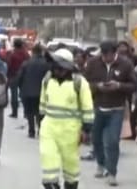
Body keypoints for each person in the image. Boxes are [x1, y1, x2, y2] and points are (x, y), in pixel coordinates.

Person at [39, 48, 95, 189]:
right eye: (54, 65)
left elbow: (88, 108)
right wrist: (40, 123)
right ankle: (51, 183)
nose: (56, 69)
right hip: (49, 128)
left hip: (71, 131)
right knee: (48, 160)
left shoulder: (80, 83)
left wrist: (86, 130)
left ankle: (71, 184)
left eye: (59, 66)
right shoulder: (47, 80)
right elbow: (42, 105)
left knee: (70, 164)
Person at [83, 40, 137, 186]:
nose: (107, 58)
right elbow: (84, 83)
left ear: (115, 53)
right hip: (97, 107)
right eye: (104, 55)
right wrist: (97, 86)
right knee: (96, 139)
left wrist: (119, 85)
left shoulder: (125, 64)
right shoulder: (93, 63)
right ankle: (101, 164)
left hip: (116, 109)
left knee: (112, 141)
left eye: (110, 55)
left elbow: (134, 85)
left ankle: (112, 172)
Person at [17, 44, 50, 138]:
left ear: (32, 52)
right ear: (41, 52)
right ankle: (40, 129)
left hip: (27, 91)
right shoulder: (46, 64)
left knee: (29, 112)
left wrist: (21, 88)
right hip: (41, 92)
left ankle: (31, 131)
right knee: (40, 112)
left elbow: (20, 77)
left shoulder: (26, 63)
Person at [7, 38, 30, 118]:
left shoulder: (12, 54)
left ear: (14, 45)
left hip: (13, 76)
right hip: (24, 76)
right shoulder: (26, 54)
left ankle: (14, 112)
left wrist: (8, 75)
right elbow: (29, 63)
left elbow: (9, 65)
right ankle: (26, 113)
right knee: (24, 94)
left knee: (14, 95)